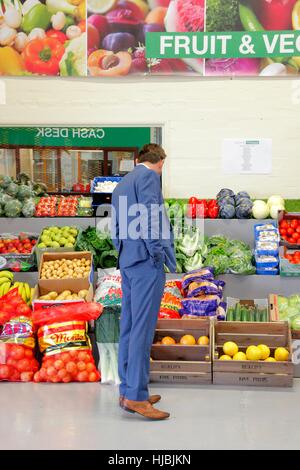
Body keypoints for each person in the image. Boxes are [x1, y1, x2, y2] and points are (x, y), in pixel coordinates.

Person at [111, 144, 176, 420]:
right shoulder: (149, 177)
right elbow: (151, 220)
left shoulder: (122, 183)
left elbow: (115, 226)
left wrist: (124, 252)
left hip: (127, 260)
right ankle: (137, 397)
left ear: (138, 159)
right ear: (160, 162)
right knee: (142, 329)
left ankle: (128, 391)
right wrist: (156, 253)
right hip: (146, 263)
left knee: (128, 326)